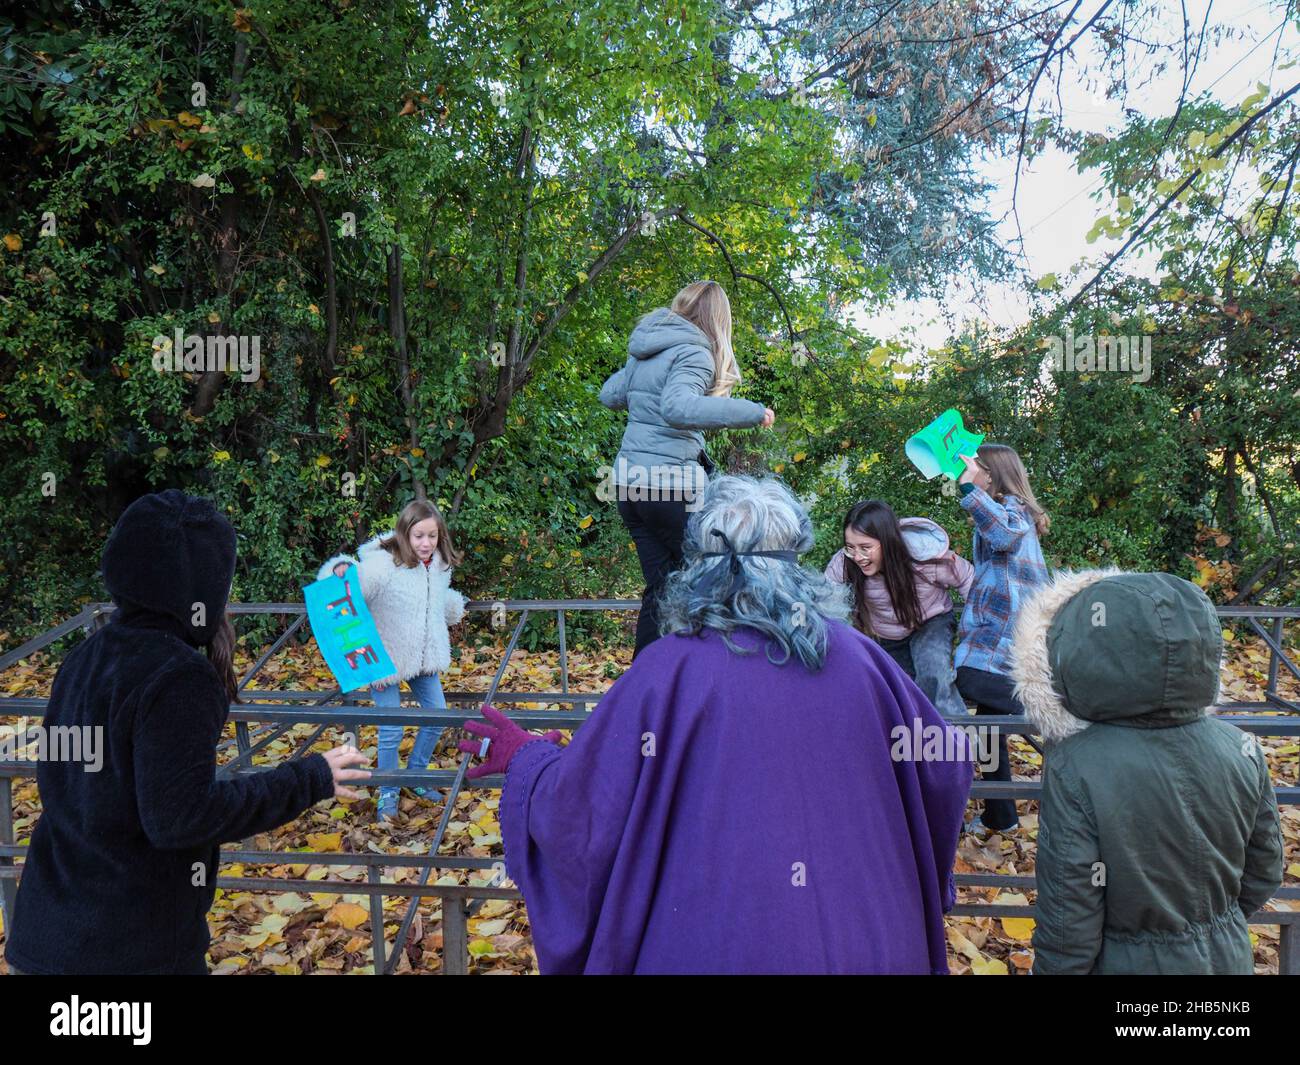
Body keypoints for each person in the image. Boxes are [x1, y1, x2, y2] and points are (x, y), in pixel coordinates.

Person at [458, 475, 972, 974]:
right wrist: (924, 881)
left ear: (700, 568)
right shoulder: (863, 662)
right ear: (798, 564)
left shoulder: (666, 670)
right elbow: (945, 765)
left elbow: (586, 805)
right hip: (871, 940)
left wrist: (526, 758)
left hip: (707, 943)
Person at [4, 490, 368, 976]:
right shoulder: (178, 677)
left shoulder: (87, 656)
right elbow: (179, 818)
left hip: (46, 938)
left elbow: (61, 781)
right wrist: (309, 778)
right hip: (129, 953)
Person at [1010, 569, 1284, 974]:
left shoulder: (1076, 765)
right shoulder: (1240, 747)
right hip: (1226, 958)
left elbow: (1070, 911)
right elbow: (1266, 868)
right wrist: (1209, 927)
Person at [599, 280, 775, 657]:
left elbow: (609, 394)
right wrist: (753, 412)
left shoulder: (647, 349)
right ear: (718, 318)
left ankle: (644, 692)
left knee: (660, 588)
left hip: (631, 489)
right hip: (668, 486)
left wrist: (641, 378)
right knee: (715, 577)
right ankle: (712, 677)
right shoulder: (695, 352)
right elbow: (679, 408)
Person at [319, 499, 466, 822]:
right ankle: (388, 788)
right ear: (404, 534)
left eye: (432, 536)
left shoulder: (440, 564)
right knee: (392, 727)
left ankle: (415, 774)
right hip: (383, 657)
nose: (426, 544)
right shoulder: (385, 565)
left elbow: (433, 601)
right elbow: (350, 584)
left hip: (423, 655)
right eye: (418, 536)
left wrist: (454, 607)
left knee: (437, 716)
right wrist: (339, 569)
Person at [953, 443, 1050, 834]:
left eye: (977, 468)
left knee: (963, 680)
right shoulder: (1007, 511)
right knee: (989, 728)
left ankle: (1048, 708)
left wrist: (968, 490)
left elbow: (1005, 535)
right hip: (998, 642)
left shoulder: (1013, 511)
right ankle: (1001, 817)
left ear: (990, 474)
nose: (970, 471)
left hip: (1001, 646)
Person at [824, 500, 972, 717]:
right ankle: (913, 745)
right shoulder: (845, 563)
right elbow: (824, 597)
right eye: (851, 547)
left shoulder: (923, 558)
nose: (858, 556)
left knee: (933, 672)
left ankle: (962, 742)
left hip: (930, 622)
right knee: (895, 690)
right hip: (886, 635)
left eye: (866, 548)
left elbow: (968, 578)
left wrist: (975, 630)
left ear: (887, 541)